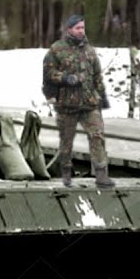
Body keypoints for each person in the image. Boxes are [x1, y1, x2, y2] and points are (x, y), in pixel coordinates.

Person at [42, 13, 113, 188]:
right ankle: (66, 173)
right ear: (69, 30)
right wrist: (66, 78)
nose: (81, 31)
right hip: (67, 104)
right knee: (66, 141)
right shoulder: (57, 49)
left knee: (97, 136)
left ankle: (101, 174)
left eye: (83, 27)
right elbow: (48, 74)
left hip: (89, 103)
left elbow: (97, 76)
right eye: (77, 28)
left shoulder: (89, 50)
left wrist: (102, 97)